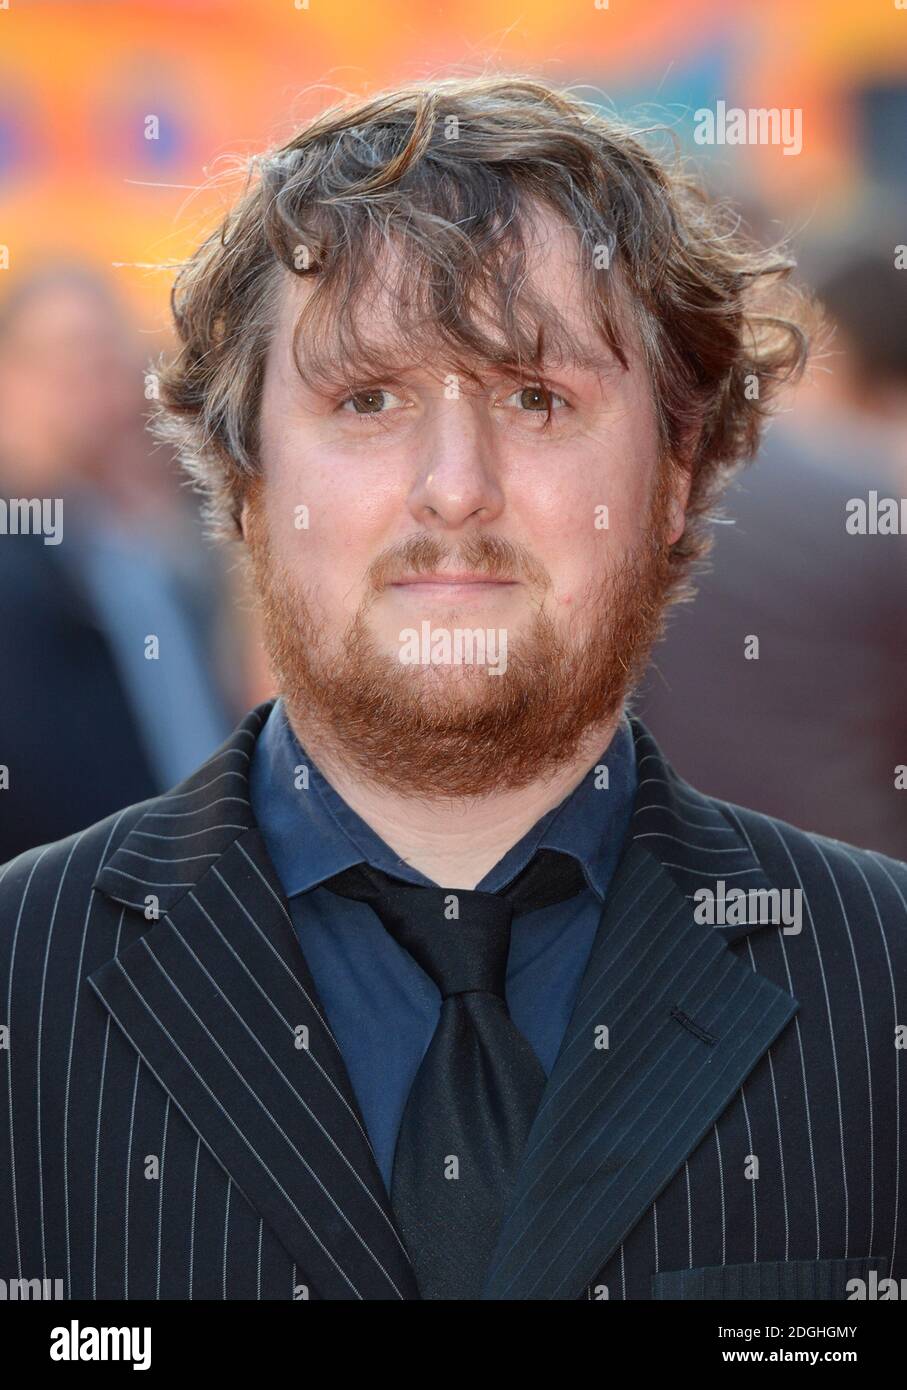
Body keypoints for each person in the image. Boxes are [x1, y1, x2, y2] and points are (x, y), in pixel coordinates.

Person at [1, 76, 905, 1303]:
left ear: (678, 470)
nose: (453, 488)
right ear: (247, 475)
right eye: (366, 399)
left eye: (538, 398)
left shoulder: (881, 981)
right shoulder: (22, 982)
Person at [0, 268, 243, 861]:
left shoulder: (153, 549)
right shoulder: (27, 565)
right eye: (65, 358)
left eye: (107, 359)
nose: (92, 386)